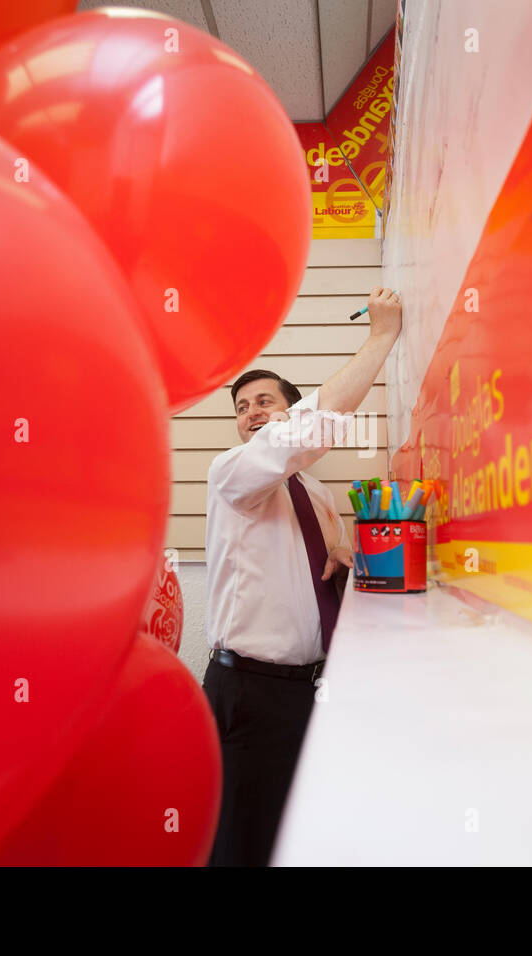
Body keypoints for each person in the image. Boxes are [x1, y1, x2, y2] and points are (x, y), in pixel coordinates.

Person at [202, 286, 403, 867]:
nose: (251, 414)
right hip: (248, 693)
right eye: (242, 407)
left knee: (301, 839)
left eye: (265, 402)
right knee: (242, 842)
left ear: (290, 408)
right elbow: (308, 431)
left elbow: (315, 557)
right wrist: (382, 337)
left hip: (312, 691)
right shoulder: (231, 474)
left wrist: (342, 551)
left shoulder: (313, 492)